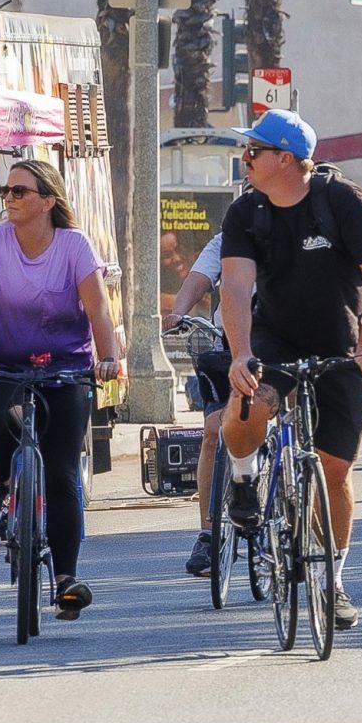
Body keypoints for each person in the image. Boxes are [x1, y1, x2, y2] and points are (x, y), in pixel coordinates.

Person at [218, 109, 362, 629]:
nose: (245, 158)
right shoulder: (246, 211)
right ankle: (244, 476)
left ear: (285, 158)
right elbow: (234, 285)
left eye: (253, 150)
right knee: (249, 402)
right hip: (274, 337)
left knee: (336, 471)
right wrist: (239, 353)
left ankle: (334, 579)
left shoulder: (341, 200)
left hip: (342, 344)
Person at [0, 159, 121, 620]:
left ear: (48, 200)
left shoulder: (74, 246)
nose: (9, 199)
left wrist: (108, 359)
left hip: (66, 366)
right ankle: (1, 482)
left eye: (20, 192)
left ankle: (66, 579)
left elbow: (98, 311)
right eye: (6, 191)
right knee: (1, 423)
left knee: (62, 472)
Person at [166, 229, 236, 577]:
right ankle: (208, 534)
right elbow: (199, 278)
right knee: (213, 431)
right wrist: (178, 311)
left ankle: (289, 511)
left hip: (282, 343)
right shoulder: (229, 236)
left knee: (290, 426)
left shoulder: (298, 227)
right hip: (230, 344)